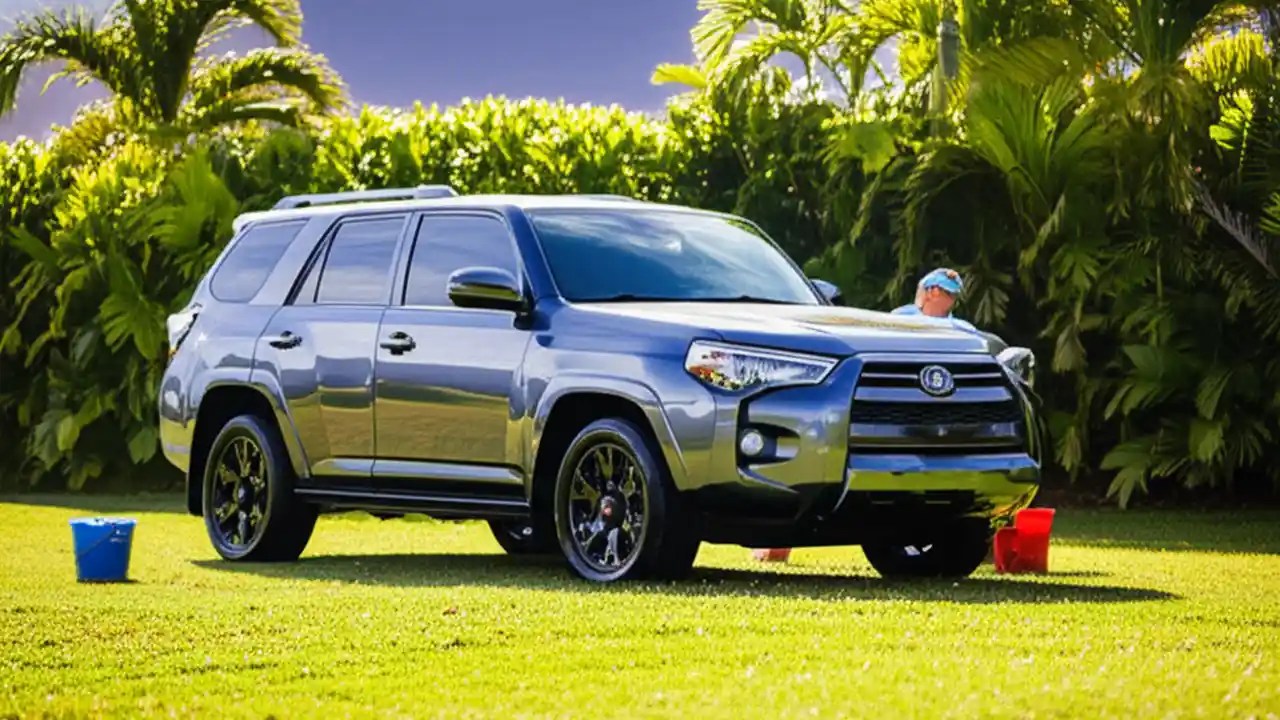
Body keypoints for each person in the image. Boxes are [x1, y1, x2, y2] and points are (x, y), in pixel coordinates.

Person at [750, 268, 979, 565]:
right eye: (944, 292)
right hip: (896, 415)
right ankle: (776, 546)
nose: (948, 299)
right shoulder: (899, 320)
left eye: (952, 295)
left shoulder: (961, 329)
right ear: (932, 292)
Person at [891, 267, 977, 332]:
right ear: (930, 292)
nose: (952, 299)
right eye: (948, 293)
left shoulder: (961, 330)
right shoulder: (898, 319)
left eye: (954, 295)